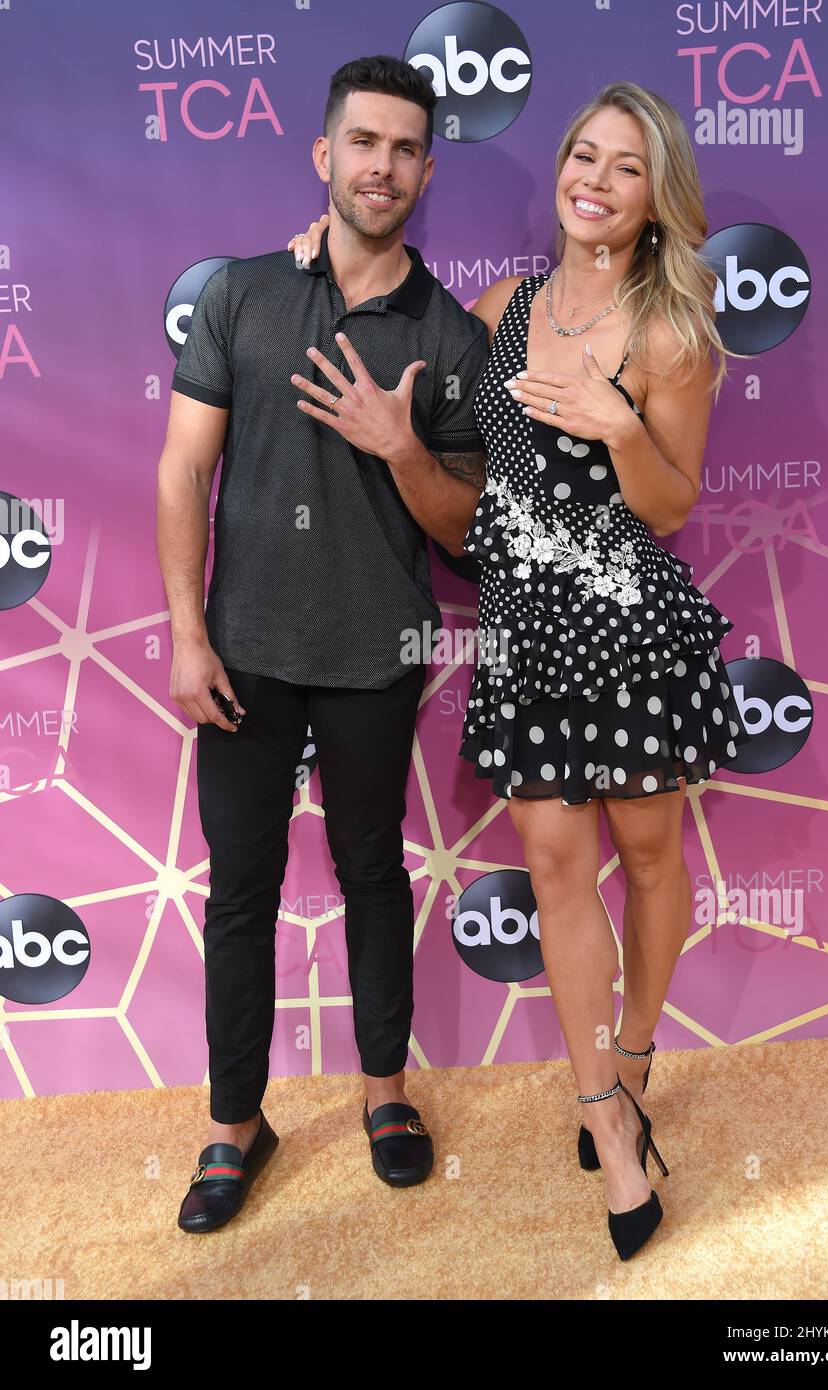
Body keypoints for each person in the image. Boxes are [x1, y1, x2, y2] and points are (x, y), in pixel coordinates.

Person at [287, 80, 752, 1259]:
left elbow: (668, 503)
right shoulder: (501, 304)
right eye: (581, 157)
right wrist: (316, 243)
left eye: (624, 168)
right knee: (557, 869)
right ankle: (600, 1107)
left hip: (626, 624)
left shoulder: (671, 327)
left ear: (655, 202)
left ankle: (633, 1059)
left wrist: (613, 423)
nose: (592, 180)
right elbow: (395, 314)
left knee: (647, 857)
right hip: (528, 627)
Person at [156, 54, 490, 1234]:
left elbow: (463, 531)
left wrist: (400, 448)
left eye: (404, 149)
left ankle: (384, 1092)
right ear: (324, 154)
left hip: (375, 654)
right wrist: (188, 635)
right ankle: (234, 1123)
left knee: (370, 873)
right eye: (364, 143)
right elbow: (184, 465)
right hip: (241, 651)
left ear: (425, 171)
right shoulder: (243, 293)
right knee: (238, 891)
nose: (382, 166)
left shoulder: (448, 333)